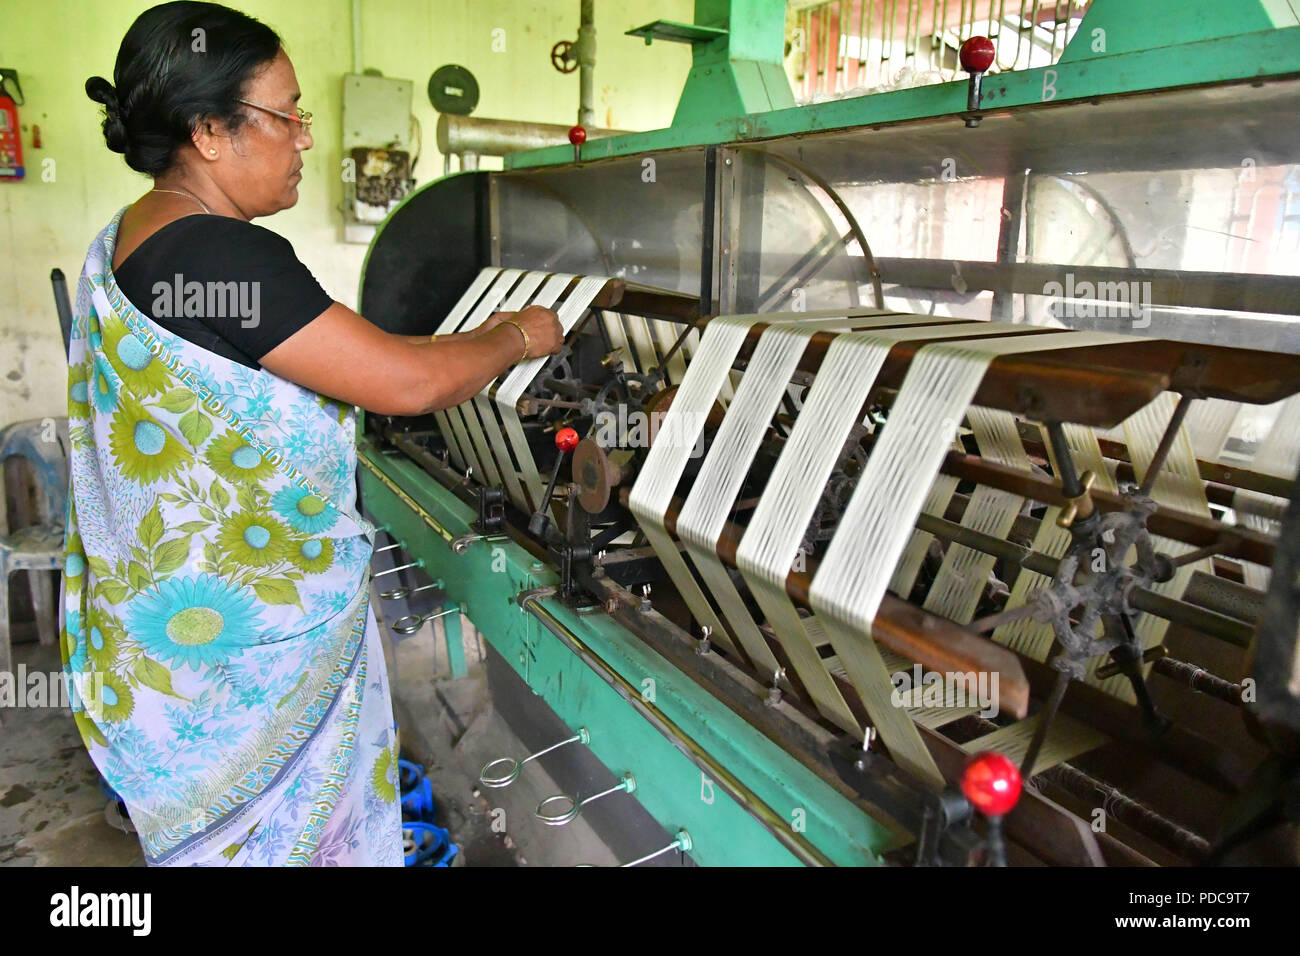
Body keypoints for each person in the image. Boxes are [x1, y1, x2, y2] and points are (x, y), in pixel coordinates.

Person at [61, 0, 562, 866]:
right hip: (245, 667)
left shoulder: (137, 237)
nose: (305, 138)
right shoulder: (221, 255)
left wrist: (460, 342)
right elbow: (404, 384)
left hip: (170, 655)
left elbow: (340, 353)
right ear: (208, 131)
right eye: (287, 114)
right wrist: (519, 336)